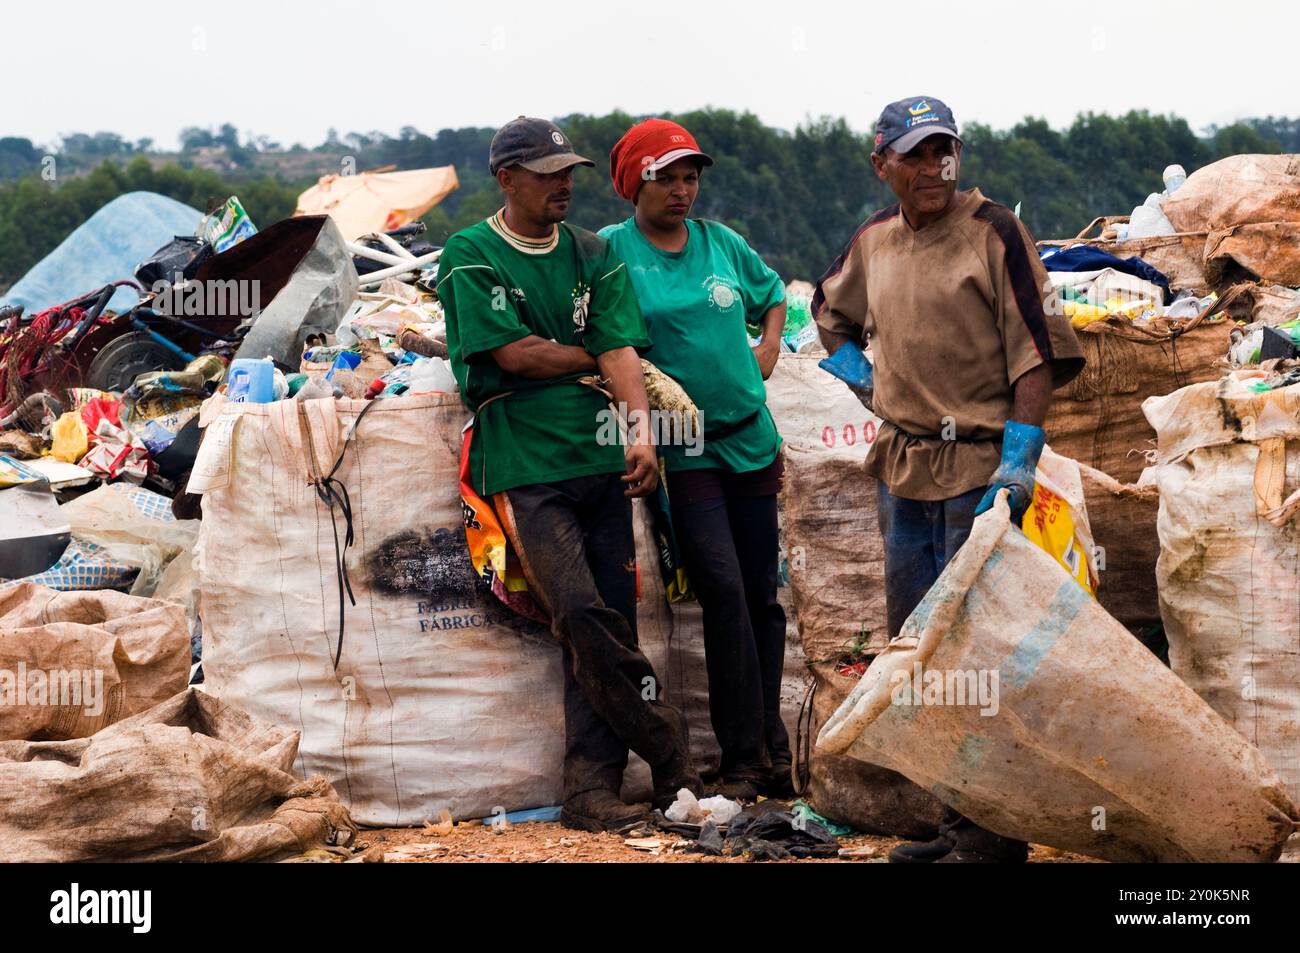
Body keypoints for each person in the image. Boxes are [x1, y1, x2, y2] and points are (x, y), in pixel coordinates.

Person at [812, 96, 1085, 862]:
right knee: (923, 652)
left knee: (983, 655)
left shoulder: (994, 230)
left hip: (978, 469)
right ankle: (957, 825)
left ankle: (997, 836)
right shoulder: (874, 241)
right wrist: (872, 383)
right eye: (916, 155)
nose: (933, 168)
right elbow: (826, 313)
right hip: (904, 473)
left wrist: (1019, 459)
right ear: (883, 164)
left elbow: (1037, 349)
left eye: (944, 152)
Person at [437, 116, 702, 834]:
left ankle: (591, 789)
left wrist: (642, 435)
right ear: (507, 179)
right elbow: (517, 354)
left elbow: (619, 347)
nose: (564, 184)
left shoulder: (591, 251)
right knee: (579, 612)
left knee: (602, 622)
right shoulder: (471, 253)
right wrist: (590, 356)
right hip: (527, 462)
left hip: (601, 460)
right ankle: (668, 747)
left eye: (569, 172)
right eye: (548, 172)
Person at [600, 118, 793, 800]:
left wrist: (768, 345)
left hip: (749, 435)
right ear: (635, 183)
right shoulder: (611, 253)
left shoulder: (723, 243)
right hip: (685, 446)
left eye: (691, 177)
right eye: (668, 178)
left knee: (765, 600)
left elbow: (775, 297)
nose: (683, 190)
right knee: (723, 590)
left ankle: (775, 750)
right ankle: (741, 757)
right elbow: (604, 340)